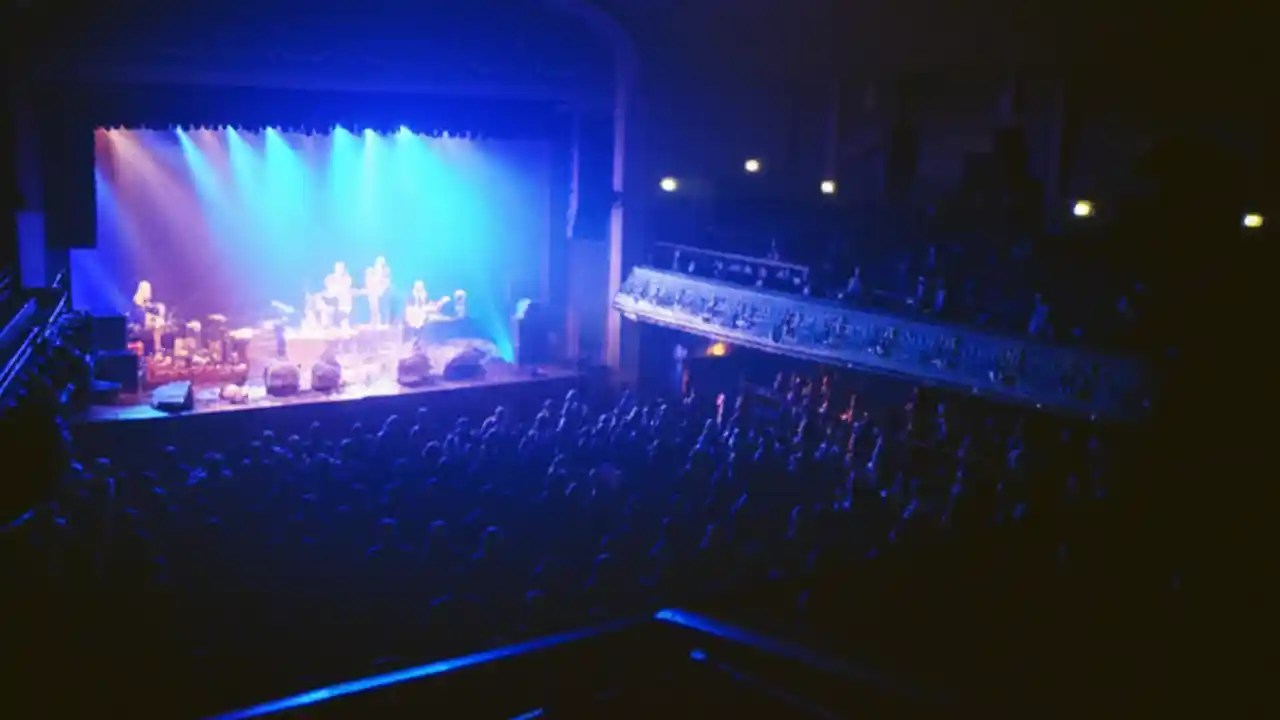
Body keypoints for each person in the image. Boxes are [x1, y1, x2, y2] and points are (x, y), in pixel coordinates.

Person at [323, 262, 354, 330]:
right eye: (338, 267)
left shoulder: (347, 278)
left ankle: (344, 327)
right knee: (327, 309)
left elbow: (345, 287)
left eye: (341, 268)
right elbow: (330, 288)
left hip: (343, 303)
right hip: (331, 301)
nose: (339, 269)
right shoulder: (329, 278)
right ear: (335, 268)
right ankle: (328, 326)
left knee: (343, 314)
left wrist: (337, 289)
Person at [364, 256, 391, 328]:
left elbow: (386, 282)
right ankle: (373, 322)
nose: (380, 264)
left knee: (381, 308)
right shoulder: (371, 270)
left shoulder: (386, 272)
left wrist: (381, 290)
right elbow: (369, 281)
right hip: (373, 292)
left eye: (382, 263)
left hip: (381, 293)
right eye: (379, 262)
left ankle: (382, 323)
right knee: (373, 308)